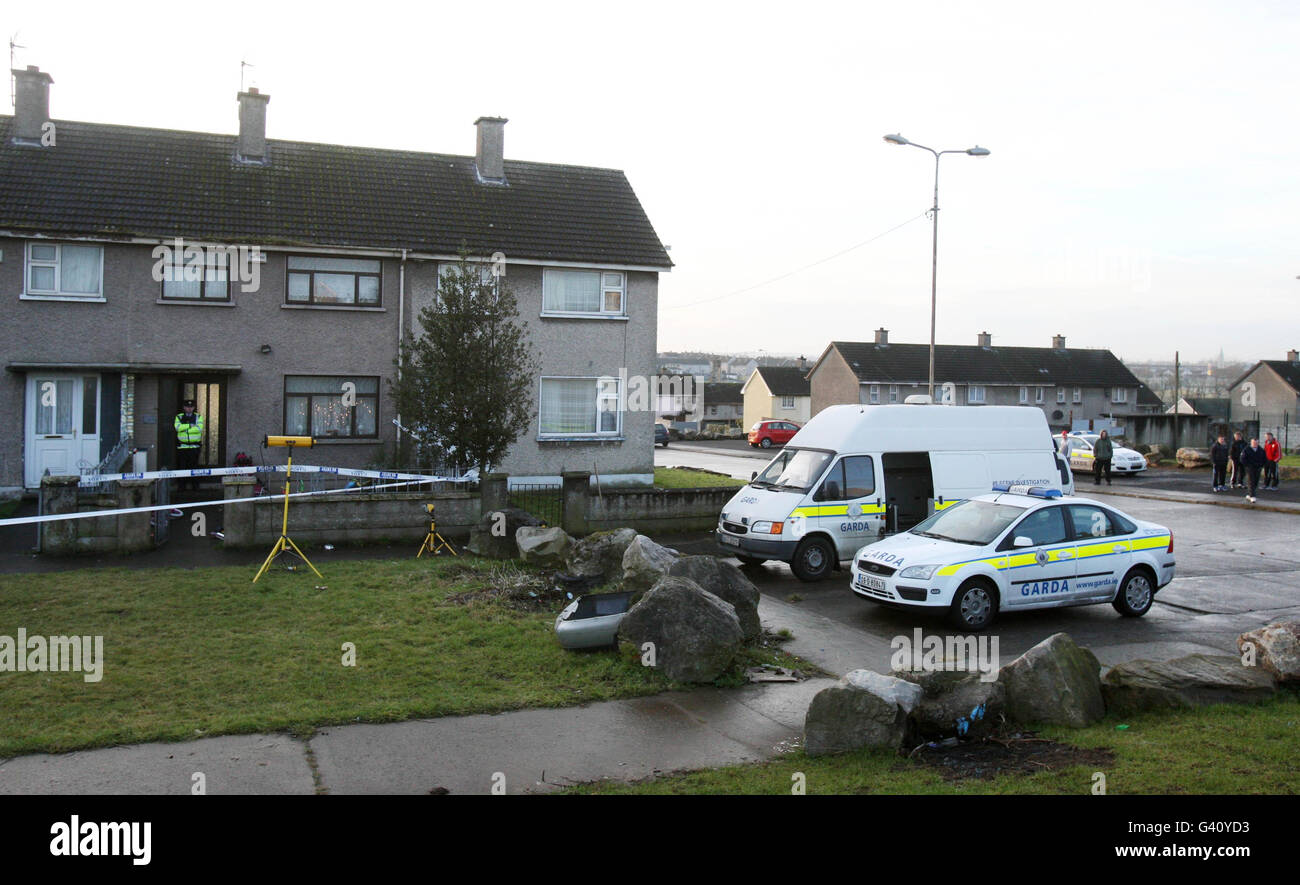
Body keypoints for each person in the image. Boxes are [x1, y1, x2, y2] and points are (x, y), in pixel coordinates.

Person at [174, 398, 204, 492]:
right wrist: (190, 426)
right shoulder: (179, 417)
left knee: (194, 467)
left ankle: (195, 487)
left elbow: (199, 429)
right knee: (182, 467)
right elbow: (178, 428)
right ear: (184, 407)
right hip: (182, 447)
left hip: (194, 447)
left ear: (194, 408)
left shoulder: (198, 417)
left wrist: (185, 428)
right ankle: (182, 486)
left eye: (191, 407)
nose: (189, 409)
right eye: (187, 407)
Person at [1241, 437, 1267, 503]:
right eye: (1253, 443)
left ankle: (1249, 494)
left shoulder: (1261, 450)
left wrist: (1262, 465)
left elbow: (1264, 459)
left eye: (1256, 443)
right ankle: (1252, 496)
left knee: (1256, 481)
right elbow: (1242, 459)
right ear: (1251, 443)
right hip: (1250, 468)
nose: (1255, 444)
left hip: (1258, 468)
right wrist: (1247, 465)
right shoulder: (1246, 449)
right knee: (1251, 481)